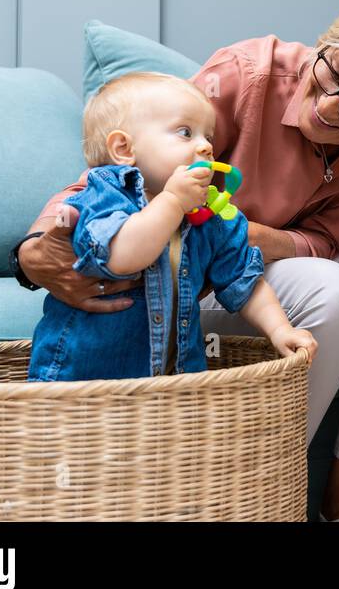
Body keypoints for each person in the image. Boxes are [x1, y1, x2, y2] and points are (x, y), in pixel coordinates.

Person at [15, 0, 339, 520]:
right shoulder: (247, 77)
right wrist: (35, 248)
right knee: (331, 289)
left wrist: (246, 235)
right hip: (179, 291)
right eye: (332, 73)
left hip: (250, 268)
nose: (328, 107)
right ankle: (256, 489)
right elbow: (113, 177)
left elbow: (327, 242)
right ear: (326, 42)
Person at [27, 73, 313, 382]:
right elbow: (121, 257)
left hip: (172, 383)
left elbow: (245, 281)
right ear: (124, 148)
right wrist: (173, 201)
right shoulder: (105, 195)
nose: (205, 147)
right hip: (80, 382)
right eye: (185, 132)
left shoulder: (208, 216)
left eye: (209, 137)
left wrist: (280, 329)